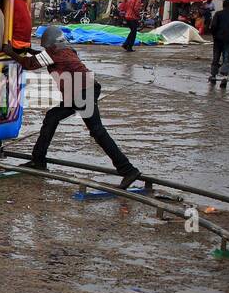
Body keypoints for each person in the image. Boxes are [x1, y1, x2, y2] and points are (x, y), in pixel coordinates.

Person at [20, 25, 141, 189]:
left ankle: (128, 170)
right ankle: (38, 159)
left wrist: (9, 52)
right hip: (82, 91)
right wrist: (30, 50)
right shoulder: (68, 50)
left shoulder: (54, 53)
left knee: (98, 131)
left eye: (47, 46)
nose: (46, 49)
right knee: (52, 117)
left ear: (52, 46)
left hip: (82, 93)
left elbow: (28, 64)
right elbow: (43, 57)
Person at [208, 0, 229, 84]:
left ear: (223, 5)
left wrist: (214, 35)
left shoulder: (218, 14)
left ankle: (213, 75)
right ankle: (224, 76)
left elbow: (213, 26)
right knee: (226, 56)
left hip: (218, 39)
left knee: (216, 56)